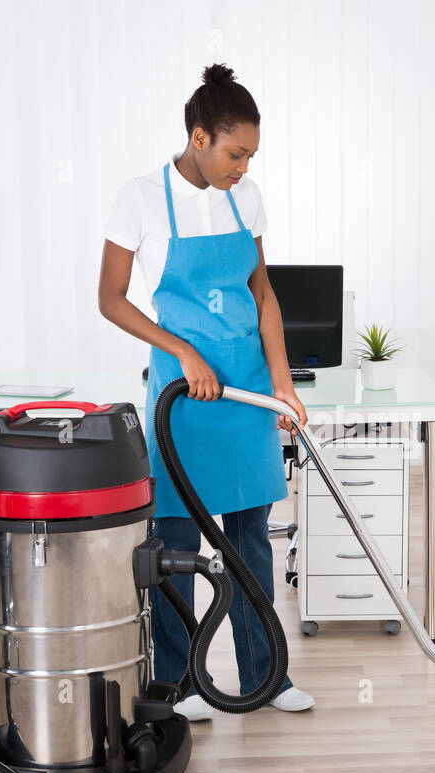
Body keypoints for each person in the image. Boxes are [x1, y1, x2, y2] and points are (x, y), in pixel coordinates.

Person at [98, 63, 314, 720]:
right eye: (235, 152)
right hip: (182, 400)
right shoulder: (139, 197)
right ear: (198, 137)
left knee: (250, 537)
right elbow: (109, 299)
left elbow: (263, 293)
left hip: (245, 390)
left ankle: (264, 677)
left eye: (251, 155)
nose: (243, 167)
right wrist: (183, 350)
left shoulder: (245, 200)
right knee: (176, 544)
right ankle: (181, 683)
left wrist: (281, 382)